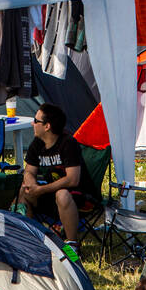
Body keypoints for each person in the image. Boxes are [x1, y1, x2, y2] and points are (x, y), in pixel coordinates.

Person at [19, 103, 85, 248]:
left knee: (62, 194)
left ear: (47, 126)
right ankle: (31, 239)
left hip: (77, 196)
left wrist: (41, 190)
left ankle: (72, 244)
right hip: (50, 193)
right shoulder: (37, 143)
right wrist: (32, 185)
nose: (32, 123)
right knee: (24, 191)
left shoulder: (68, 143)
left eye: (36, 121)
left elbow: (72, 179)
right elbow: (29, 171)